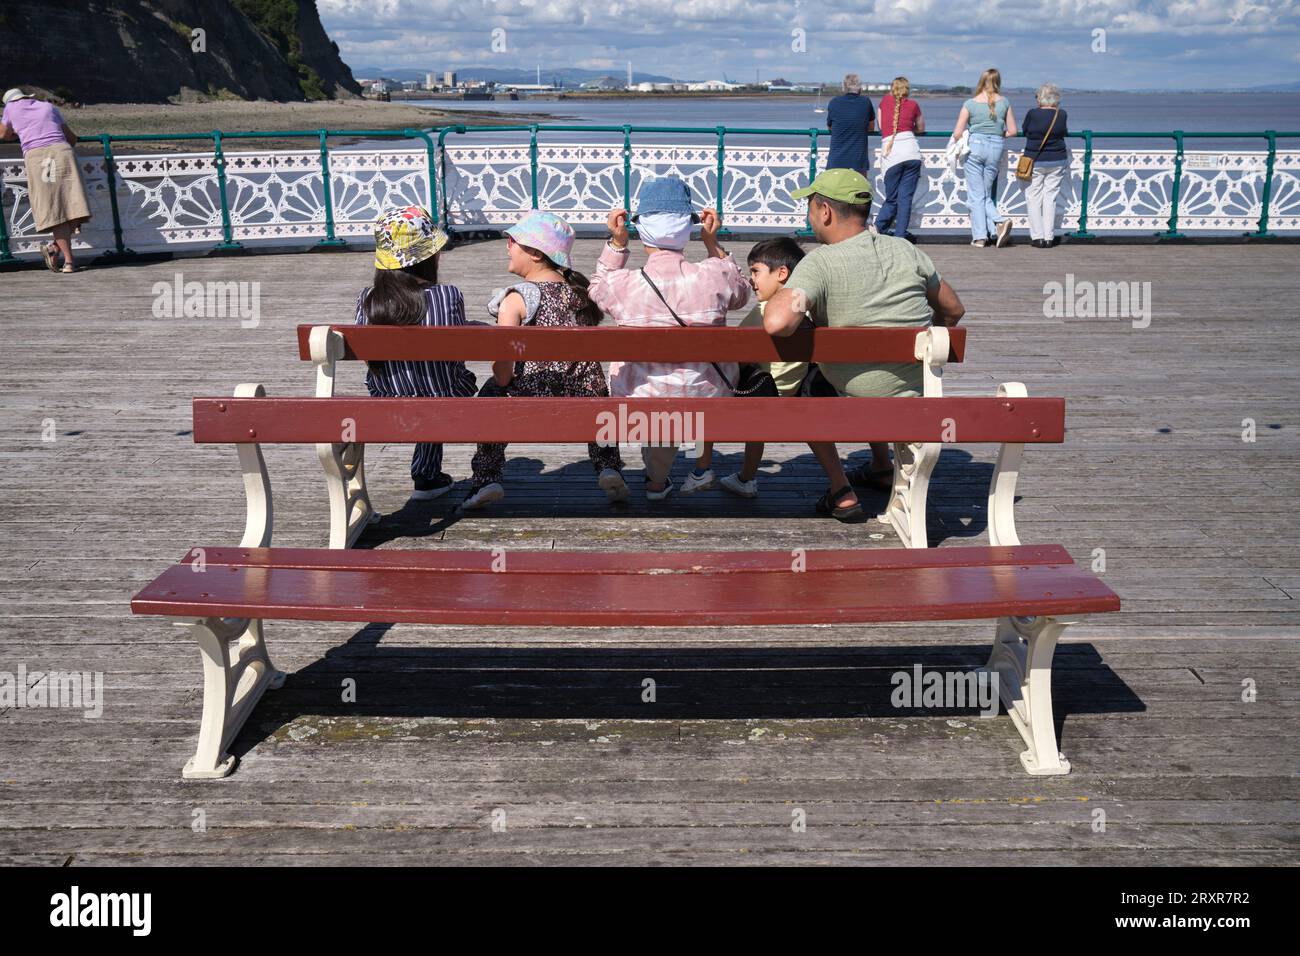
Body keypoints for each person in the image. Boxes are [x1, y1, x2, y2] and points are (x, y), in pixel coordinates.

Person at [761, 169, 966, 519]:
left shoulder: (820, 262)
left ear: (825, 212)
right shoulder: (906, 251)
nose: (809, 215)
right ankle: (881, 465)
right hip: (916, 402)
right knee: (873, 367)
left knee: (810, 388)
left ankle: (841, 490)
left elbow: (777, 323)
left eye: (811, 207)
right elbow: (953, 309)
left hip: (855, 402)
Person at [589, 176, 751, 500]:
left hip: (642, 395)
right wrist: (712, 243)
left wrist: (616, 244)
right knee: (674, 392)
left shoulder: (623, 284)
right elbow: (742, 291)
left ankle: (656, 482)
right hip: (708, 392)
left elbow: (596, 289)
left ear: (640, 229)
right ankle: (661, 478)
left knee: (656, 392)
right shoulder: (713, 275)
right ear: (687, 228)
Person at [461, 210, 628, 509]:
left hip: (533, 395)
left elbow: (503, 369)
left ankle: (486, 479)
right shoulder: (579, 294)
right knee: (596, 385)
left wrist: (501, 378)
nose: (507, 245)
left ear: (536, 254)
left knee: (490, 395)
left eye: (513, 240)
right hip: (584, 396)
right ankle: (608, 465)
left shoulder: (515, 298)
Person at [355, 205, 477, 500]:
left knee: (418, 380)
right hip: (442, 396)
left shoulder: (368, 301)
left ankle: (427, 474)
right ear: (429, 256)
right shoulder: (448, 295)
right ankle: (427, 474)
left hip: (386, 398)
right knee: (448, 381)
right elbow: (455, 351)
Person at [684, 237, 812, 498]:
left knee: (707, 392)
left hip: (759, 394)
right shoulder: (805, 309)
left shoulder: (766, 311)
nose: (752, 280)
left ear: (781, 274)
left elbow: (736, 347)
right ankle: (746, 478)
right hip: (787, 396)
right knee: (758, 416)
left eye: (756, 271)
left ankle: (701, 470)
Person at [0, 89, 92, 273]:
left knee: (54, 209)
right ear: (26, 96)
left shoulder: (10, 109)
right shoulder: (48, 107)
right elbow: (72, 139)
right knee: (74, 205)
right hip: (63, 153)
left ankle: (68, 261)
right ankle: (54, 250)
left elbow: (2, 135)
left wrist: (20, 132)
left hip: (39, 159)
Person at [951, 68, 1018, 248]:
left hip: (975, 147)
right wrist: (996, 135)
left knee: (976, 195)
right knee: (985, 194)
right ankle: (994, 231)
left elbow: (957, 132)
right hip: (996, 147)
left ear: (981, 81)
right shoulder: (1004, 102)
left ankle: (984, 234)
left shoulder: (970, 103)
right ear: (998, 82)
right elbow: (1013, 131)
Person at [875, 76, 925, 242]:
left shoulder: (884, 102)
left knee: (892, 198)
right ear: (907, 90)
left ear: (892, 88)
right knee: (905, 199)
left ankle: (878, 228)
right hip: (912, 152)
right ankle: (900, 236)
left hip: (892, 154)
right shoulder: (913, 105)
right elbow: (921, 127)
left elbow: (882, 127)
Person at [1021, 83, 1070, 248]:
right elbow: (1064, 132)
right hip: (1057, 160)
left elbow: (1025, 130)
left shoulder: (1032, 114)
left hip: (1035, 160)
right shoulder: (1061, 114)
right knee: (1050, 198)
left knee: (1033, 197)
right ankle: (1049, 237)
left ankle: (1038, 237)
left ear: (1040, 98)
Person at [825, 74, 876, 178]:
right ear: (860, 88)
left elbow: (830, 127)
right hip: (858, 160)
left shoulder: (834, 102)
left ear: (844, 87)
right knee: (859, 191)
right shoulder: (865, 102)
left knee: (836, 192)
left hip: (836, 160)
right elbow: (871, 128)